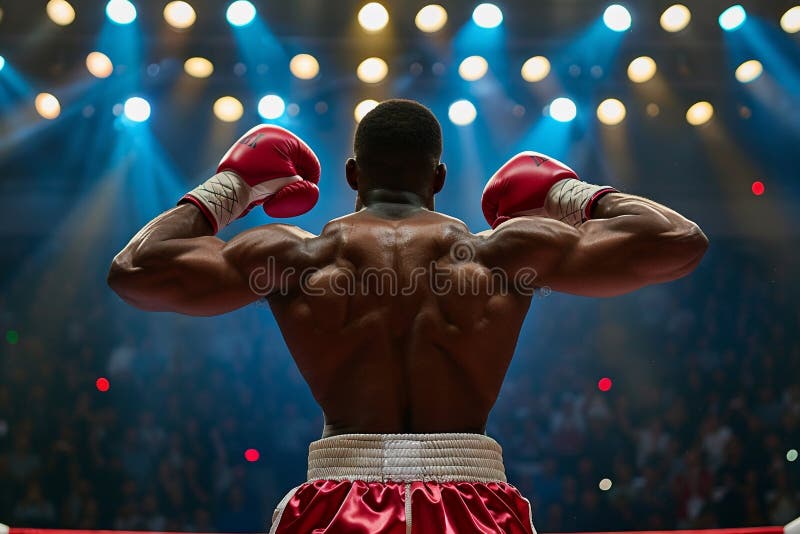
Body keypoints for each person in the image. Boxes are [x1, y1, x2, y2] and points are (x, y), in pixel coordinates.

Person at [108, 99, 708, 533]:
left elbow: (135, 270)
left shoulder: (294, 258)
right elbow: (678, 242)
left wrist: (232, 187)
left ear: (352, 174)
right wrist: (565, 195)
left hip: (337, 509)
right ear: (439, 177)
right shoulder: (504, 255)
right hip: (473, 508)